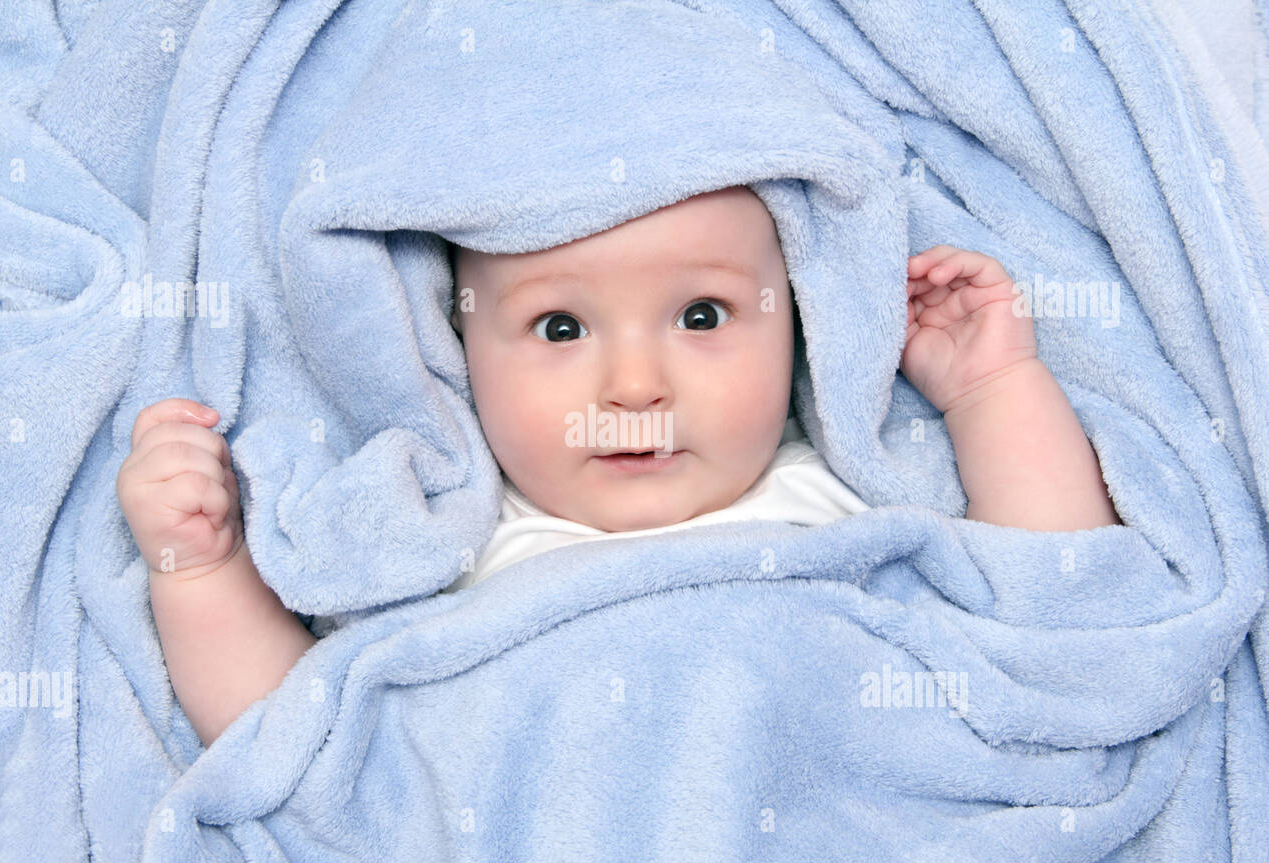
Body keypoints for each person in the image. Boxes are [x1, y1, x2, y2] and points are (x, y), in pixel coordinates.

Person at [116, 185, 1119, 747]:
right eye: (559, 326)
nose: (633, 383)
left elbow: (1058, 607)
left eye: (701, 315)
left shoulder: (837, 500)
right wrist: (200, 573)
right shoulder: (451, 554)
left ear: (798, 329)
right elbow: (294, 746)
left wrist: (991, 390)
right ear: (458, 354)